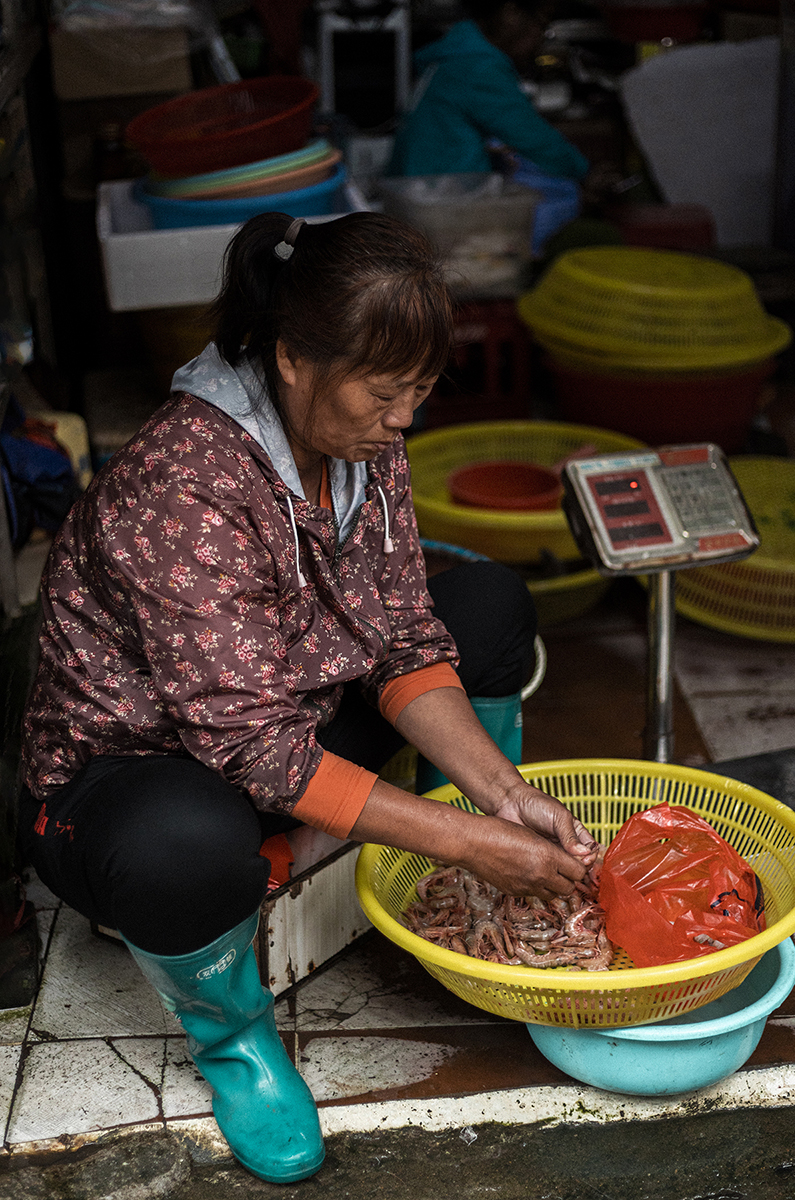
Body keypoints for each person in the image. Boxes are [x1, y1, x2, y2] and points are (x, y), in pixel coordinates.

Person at [17, 211, 599, 1184]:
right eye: (385, 391)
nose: (402, 418)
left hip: (288, 716)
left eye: (416, 390)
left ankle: (380, 843)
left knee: (485, 606)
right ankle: (234, 1042)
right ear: (289, 358)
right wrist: (465, 839)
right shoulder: (180, 485)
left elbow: (405, 638)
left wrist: (499, 797)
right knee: (184, 845)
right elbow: (254, 750)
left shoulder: (364, 446)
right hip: (130, 780)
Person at [387, 0, 590, 183]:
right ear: (511, 13)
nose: (540, 40)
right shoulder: (476, 66)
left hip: (420, 192)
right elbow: (531, 136)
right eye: (542, 25)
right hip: (439, 201)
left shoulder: (454, 52)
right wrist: (585, 173)